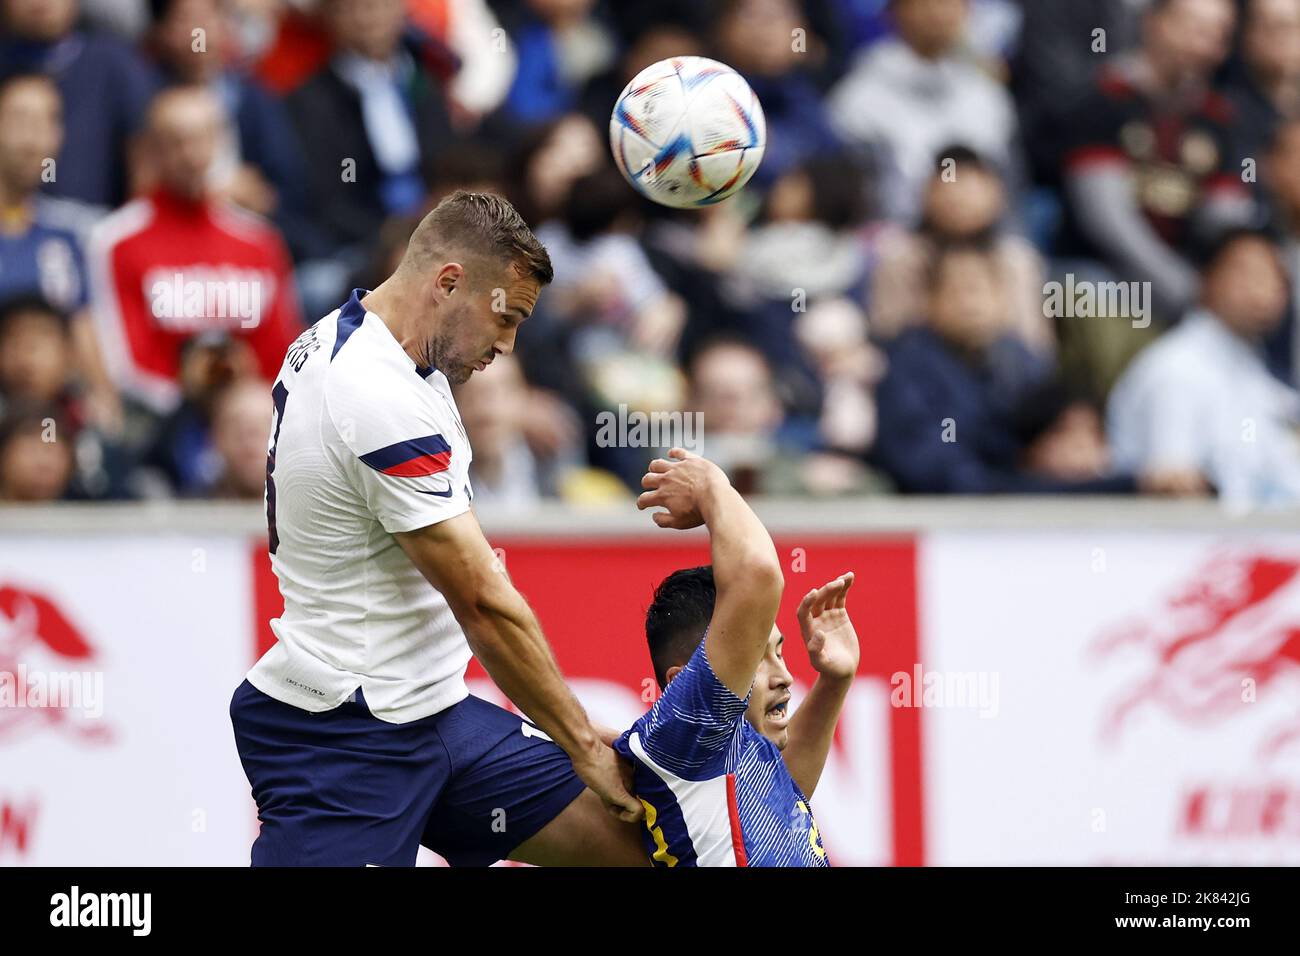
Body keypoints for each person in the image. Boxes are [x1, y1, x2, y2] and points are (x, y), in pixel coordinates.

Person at [229, 189, 646, 867]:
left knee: (641, 843)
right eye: (504, 318)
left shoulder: (365, 341)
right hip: (345, 738)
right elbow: (483, 602)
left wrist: (569, 734)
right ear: (449, 282)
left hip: (433, 712)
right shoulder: (376, 392)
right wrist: (578, 739)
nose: (508, 346)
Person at [616, 447, 858, 866]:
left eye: (778, 651)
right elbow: (757, 573)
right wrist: (712, 485)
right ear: (682, 684)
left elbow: (781, 792)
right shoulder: (686, 736)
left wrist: (834, 681)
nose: (784, 675)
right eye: (757, 656)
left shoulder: (724, 761)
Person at [88, 86, 303, 413]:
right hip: (161, 425)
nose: (191, 156)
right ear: (152, 150)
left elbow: (283, 350)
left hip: (254, 420)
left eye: (202, 139)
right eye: (176, 142)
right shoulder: (116, 240)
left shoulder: (259, 240)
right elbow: (125, 364)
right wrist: (190, 401)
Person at [1108, 228, 1300, 506]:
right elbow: (1172, 491)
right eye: (1248, 274)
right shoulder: (1176, 369)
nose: (1263, 289)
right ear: (1206, 279)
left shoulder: (1262, 378)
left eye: (1276, 278)